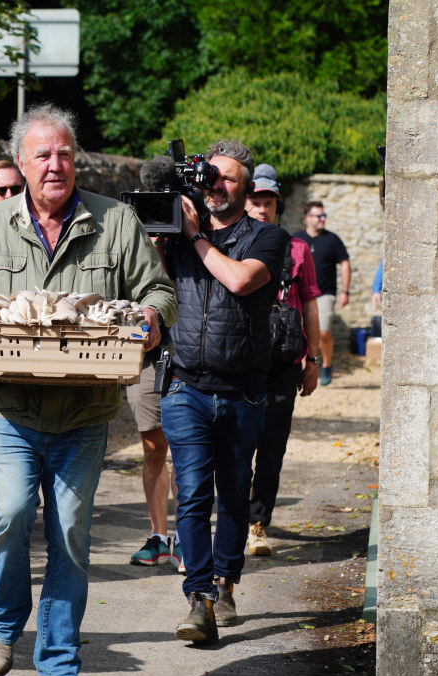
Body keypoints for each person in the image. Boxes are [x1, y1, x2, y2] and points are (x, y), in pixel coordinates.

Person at [0, 103, 176, 676]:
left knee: (71, 535)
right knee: (9, 513)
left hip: (85, 412)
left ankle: (61, 667)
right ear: (20, 163)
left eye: (65, 153)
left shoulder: (116, 222)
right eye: (42, 154)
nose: (55, 165)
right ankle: (1, 623)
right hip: (11, 409)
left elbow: (158, 291)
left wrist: (150, 318)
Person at [160, 140, 287, 645]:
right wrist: (163, 230)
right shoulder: (176, 234)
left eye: (228, 179)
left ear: (247, 186)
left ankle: (226, 581)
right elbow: (142, 277)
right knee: (192, 495)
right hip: (186, 385)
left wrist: (193, 237)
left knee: (234, 497)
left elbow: (237, 280)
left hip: (243, 390)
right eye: (210, 177)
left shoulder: (268, 238)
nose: (217, 186)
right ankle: (199, 599)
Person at [243, 164, 322, 557]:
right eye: (255, 201)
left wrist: (315, 360)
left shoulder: (298, 250)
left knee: (272, 447)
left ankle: (258, 524)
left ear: (278, 206)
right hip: (240, 362)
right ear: (245, 202)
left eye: (268, 202)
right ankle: (235, 517)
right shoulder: (234, 243)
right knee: (237, 445)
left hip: (283, 362)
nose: (261, 208)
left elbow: (309, 302)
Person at [126, 241, 176, 569]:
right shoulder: (129, 233)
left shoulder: (194, 235)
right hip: (143, 356)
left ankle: (189, 537)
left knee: (188, 447)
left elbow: (172, 291)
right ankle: (159, 537)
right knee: (152, 447)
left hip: (185, 350)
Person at [293, 201, 349, 386]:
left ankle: (326, 366)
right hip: (301, 294)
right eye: (319, 216)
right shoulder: (296, 240)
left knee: (323, 332)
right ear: (307, 218)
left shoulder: (332, 239)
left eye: (324, 215)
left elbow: (345, 263)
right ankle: (302, 367)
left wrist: (345, 291)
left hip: (325, 294)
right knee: (299, 332)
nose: (323, 219)